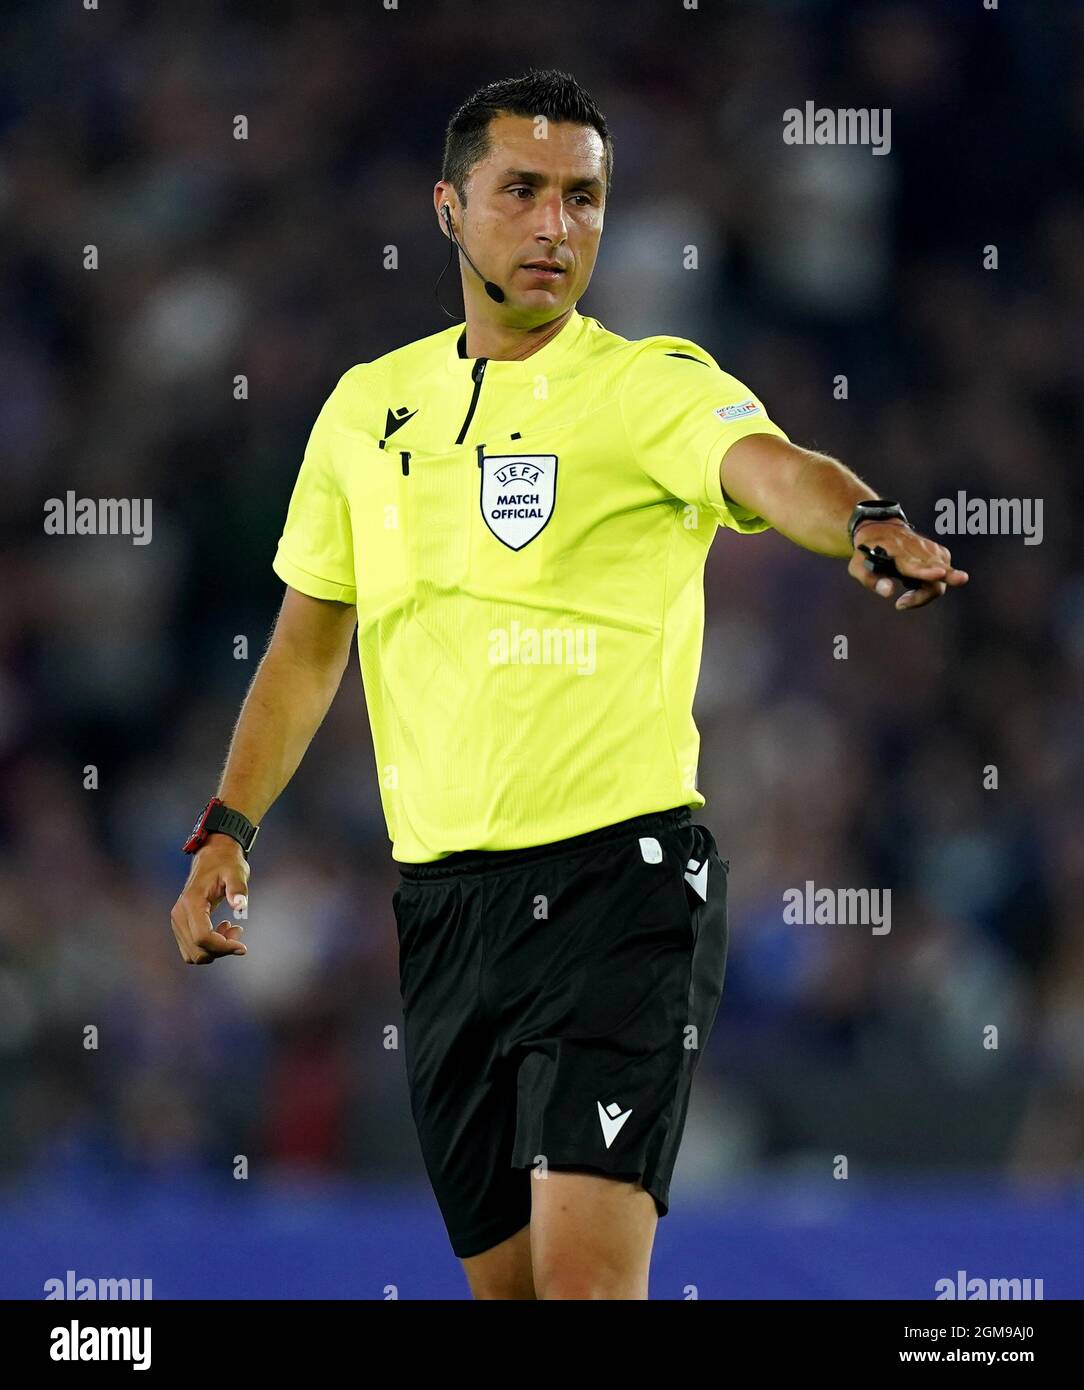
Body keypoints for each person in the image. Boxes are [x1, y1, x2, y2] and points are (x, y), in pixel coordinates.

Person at [169, 69, 968, 1300]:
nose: (557, 227)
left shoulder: (646, 385)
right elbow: (307, 643)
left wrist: (863, 517)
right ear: (448, 207)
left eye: (585, 199)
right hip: (444, 914)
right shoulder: (363, 412)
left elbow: (770, 464)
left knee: (586, 1288)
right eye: (524, 192)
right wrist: (228, 827)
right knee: (515, 1294)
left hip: (619, 890)